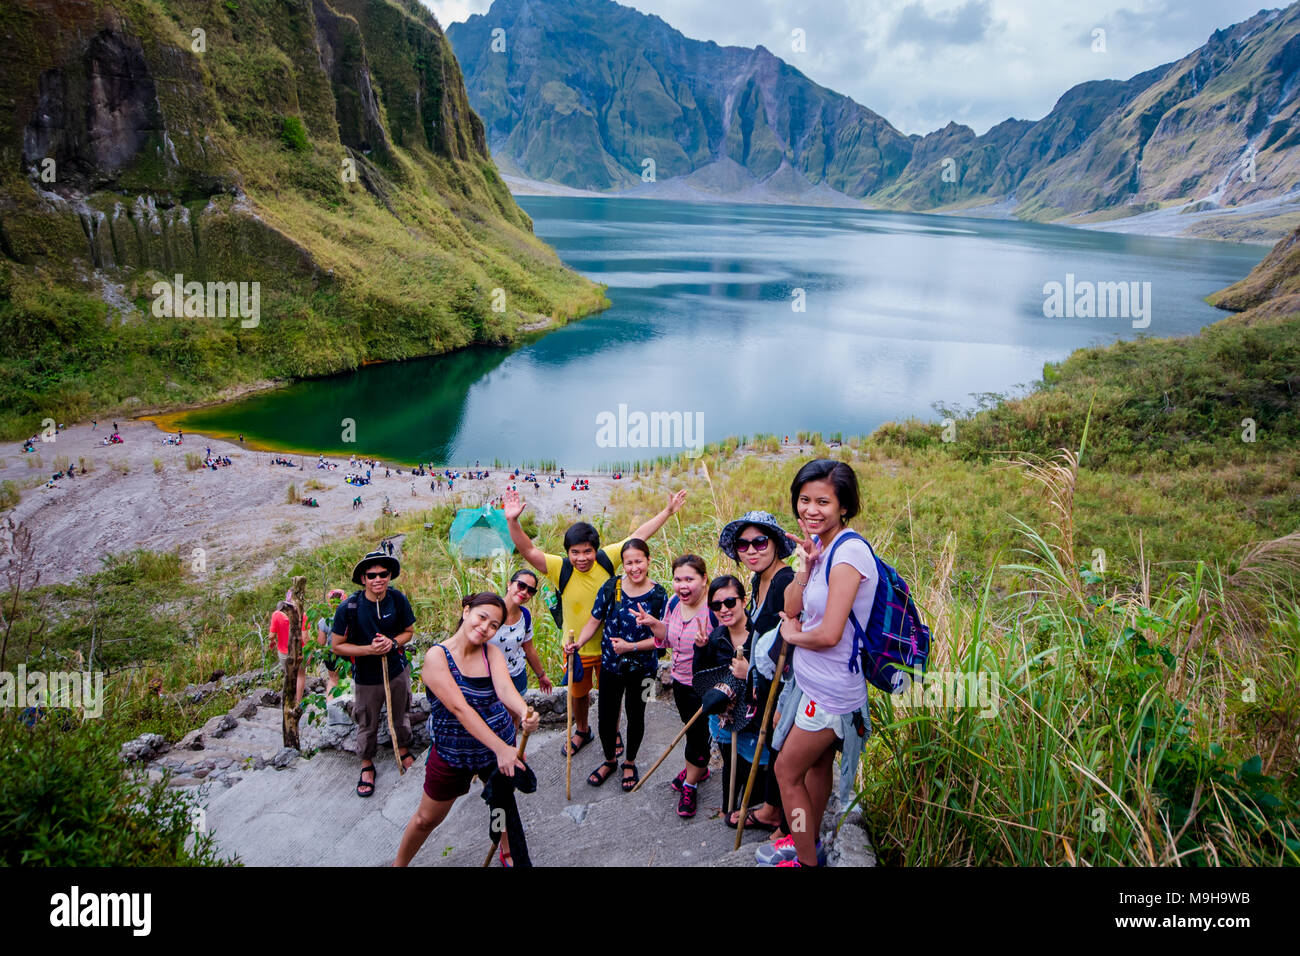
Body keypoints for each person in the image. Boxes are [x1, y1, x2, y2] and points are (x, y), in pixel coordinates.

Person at [503, 486, 687, 758]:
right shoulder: (559, 567)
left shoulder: (606, 559)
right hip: (576, 646)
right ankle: (582, 730)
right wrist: (512, 521)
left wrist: (668, 512)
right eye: (575, 552)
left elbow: (639, 536)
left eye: (587, 551)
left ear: (596, 550)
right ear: (568, 553)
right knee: (578, 694)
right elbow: (528, 549)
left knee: (611, 698)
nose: (582, 558)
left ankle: (611, 734)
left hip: (613, 646)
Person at [770, 460, 876, 867]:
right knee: (815, 766)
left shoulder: (849, 553)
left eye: (823, 502)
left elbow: (829, 632)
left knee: (785, 772)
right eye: (804, 500)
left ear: (844, 507)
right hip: (813, 684)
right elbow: (791, 606)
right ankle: (807, 842)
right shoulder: (824, 549)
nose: (810, 510)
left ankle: (805, 861)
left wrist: (793, 636)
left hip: (830, 694)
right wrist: (806, 565)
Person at [393, 593, 540, 867]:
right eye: (482, 617)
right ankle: (399, 863)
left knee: (500, 801)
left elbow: (505, 689)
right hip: (454, 751)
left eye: (494, 625)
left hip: (497, 745)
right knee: (426, 819)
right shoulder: (437, 657)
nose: (485, 628)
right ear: (466, 612)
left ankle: (505, 847)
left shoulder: (491, 652)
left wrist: (523, 711)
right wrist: (503, 750)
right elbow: (460, 709)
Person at [717, 510, 798, 833]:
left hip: (783, 687)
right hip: (763, 684)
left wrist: (778, 701)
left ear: (776, 543)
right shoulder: (757, 579)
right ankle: (769, 810)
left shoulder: (784, 582)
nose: (751, 550)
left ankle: (786, 825)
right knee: (774, 748)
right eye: (743, 544)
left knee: (783, 753)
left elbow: (793, 645)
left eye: (759, 542)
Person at [570, 539, 667, 791]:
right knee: (605, 718)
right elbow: (594, 620)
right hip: (611, 666)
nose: (635, 568)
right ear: (622, 564)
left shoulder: (658, 594)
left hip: (646, 670)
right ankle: (610, 760)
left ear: (648, 561)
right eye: (629, 563)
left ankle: (630, 762)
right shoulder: (612, 586)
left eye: (639, 561)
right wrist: (578, 643)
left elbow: (662, 639)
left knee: (637, 716)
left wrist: (630, 646)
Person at [633, 554, 714, 817]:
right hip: (680, 681)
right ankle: (699, 768)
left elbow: (729, 647)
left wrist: (707, 646)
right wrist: (653, 624)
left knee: (698, 736)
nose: (682, 585)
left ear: (704, 579)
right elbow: (667, 637)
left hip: (705, 687)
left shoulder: (715, 609)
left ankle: (691, 782)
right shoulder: (674, 603)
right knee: (691, 732)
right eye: (678, 579)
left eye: (689, 579)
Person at [331, 550, 417, 798]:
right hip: (367, 677)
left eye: (383, 574)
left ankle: (402, 748)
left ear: (389, 576)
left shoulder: (397, 600)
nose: (378, 579)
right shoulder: (349, 608)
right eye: (372, 575)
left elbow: (408, 631)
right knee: (367, 720)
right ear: (363, 579)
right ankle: (366, 763)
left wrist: (392, 643)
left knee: (400, 712)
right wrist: (369, 650)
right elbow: (337, 645)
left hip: (396, 670)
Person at [692, 575, 762, 825]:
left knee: (753, 767)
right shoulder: (717, 637)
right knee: (730, 762)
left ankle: (750, 810)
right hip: (724, 716)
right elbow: (703, 679)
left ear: (744, 601)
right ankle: (727, 808)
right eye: (716, 605)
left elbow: (773, 680)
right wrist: (700, 649)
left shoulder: (760, 636)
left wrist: (749, 673)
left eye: (730, 602)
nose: (724, 609)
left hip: (754, 720)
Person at [491, 569, 553, 698]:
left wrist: (541, 675)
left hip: (516, 676)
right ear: (509, 584)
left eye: (530, 590)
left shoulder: (525, 615)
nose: (524, 592)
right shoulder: (489, 611)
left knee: (516, 717)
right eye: (521, 585)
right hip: (489, 679)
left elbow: (528, 648)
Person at [269, 594, 308, 706]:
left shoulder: (277, 615)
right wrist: (310, 650)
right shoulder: (302, 615)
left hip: (284, 651)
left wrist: (273, 641)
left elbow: (271, 635)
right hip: (300, 650)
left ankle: (288, 700)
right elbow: (305, 637)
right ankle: (298, 701)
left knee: (288, 675)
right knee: (300, 675)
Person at [316, 588, 347, 695]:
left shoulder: (324, 621)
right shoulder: (350, 616)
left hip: (331, 653)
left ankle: (331, 705)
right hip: (350, 650)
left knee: (333, 680)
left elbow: (321, 642)